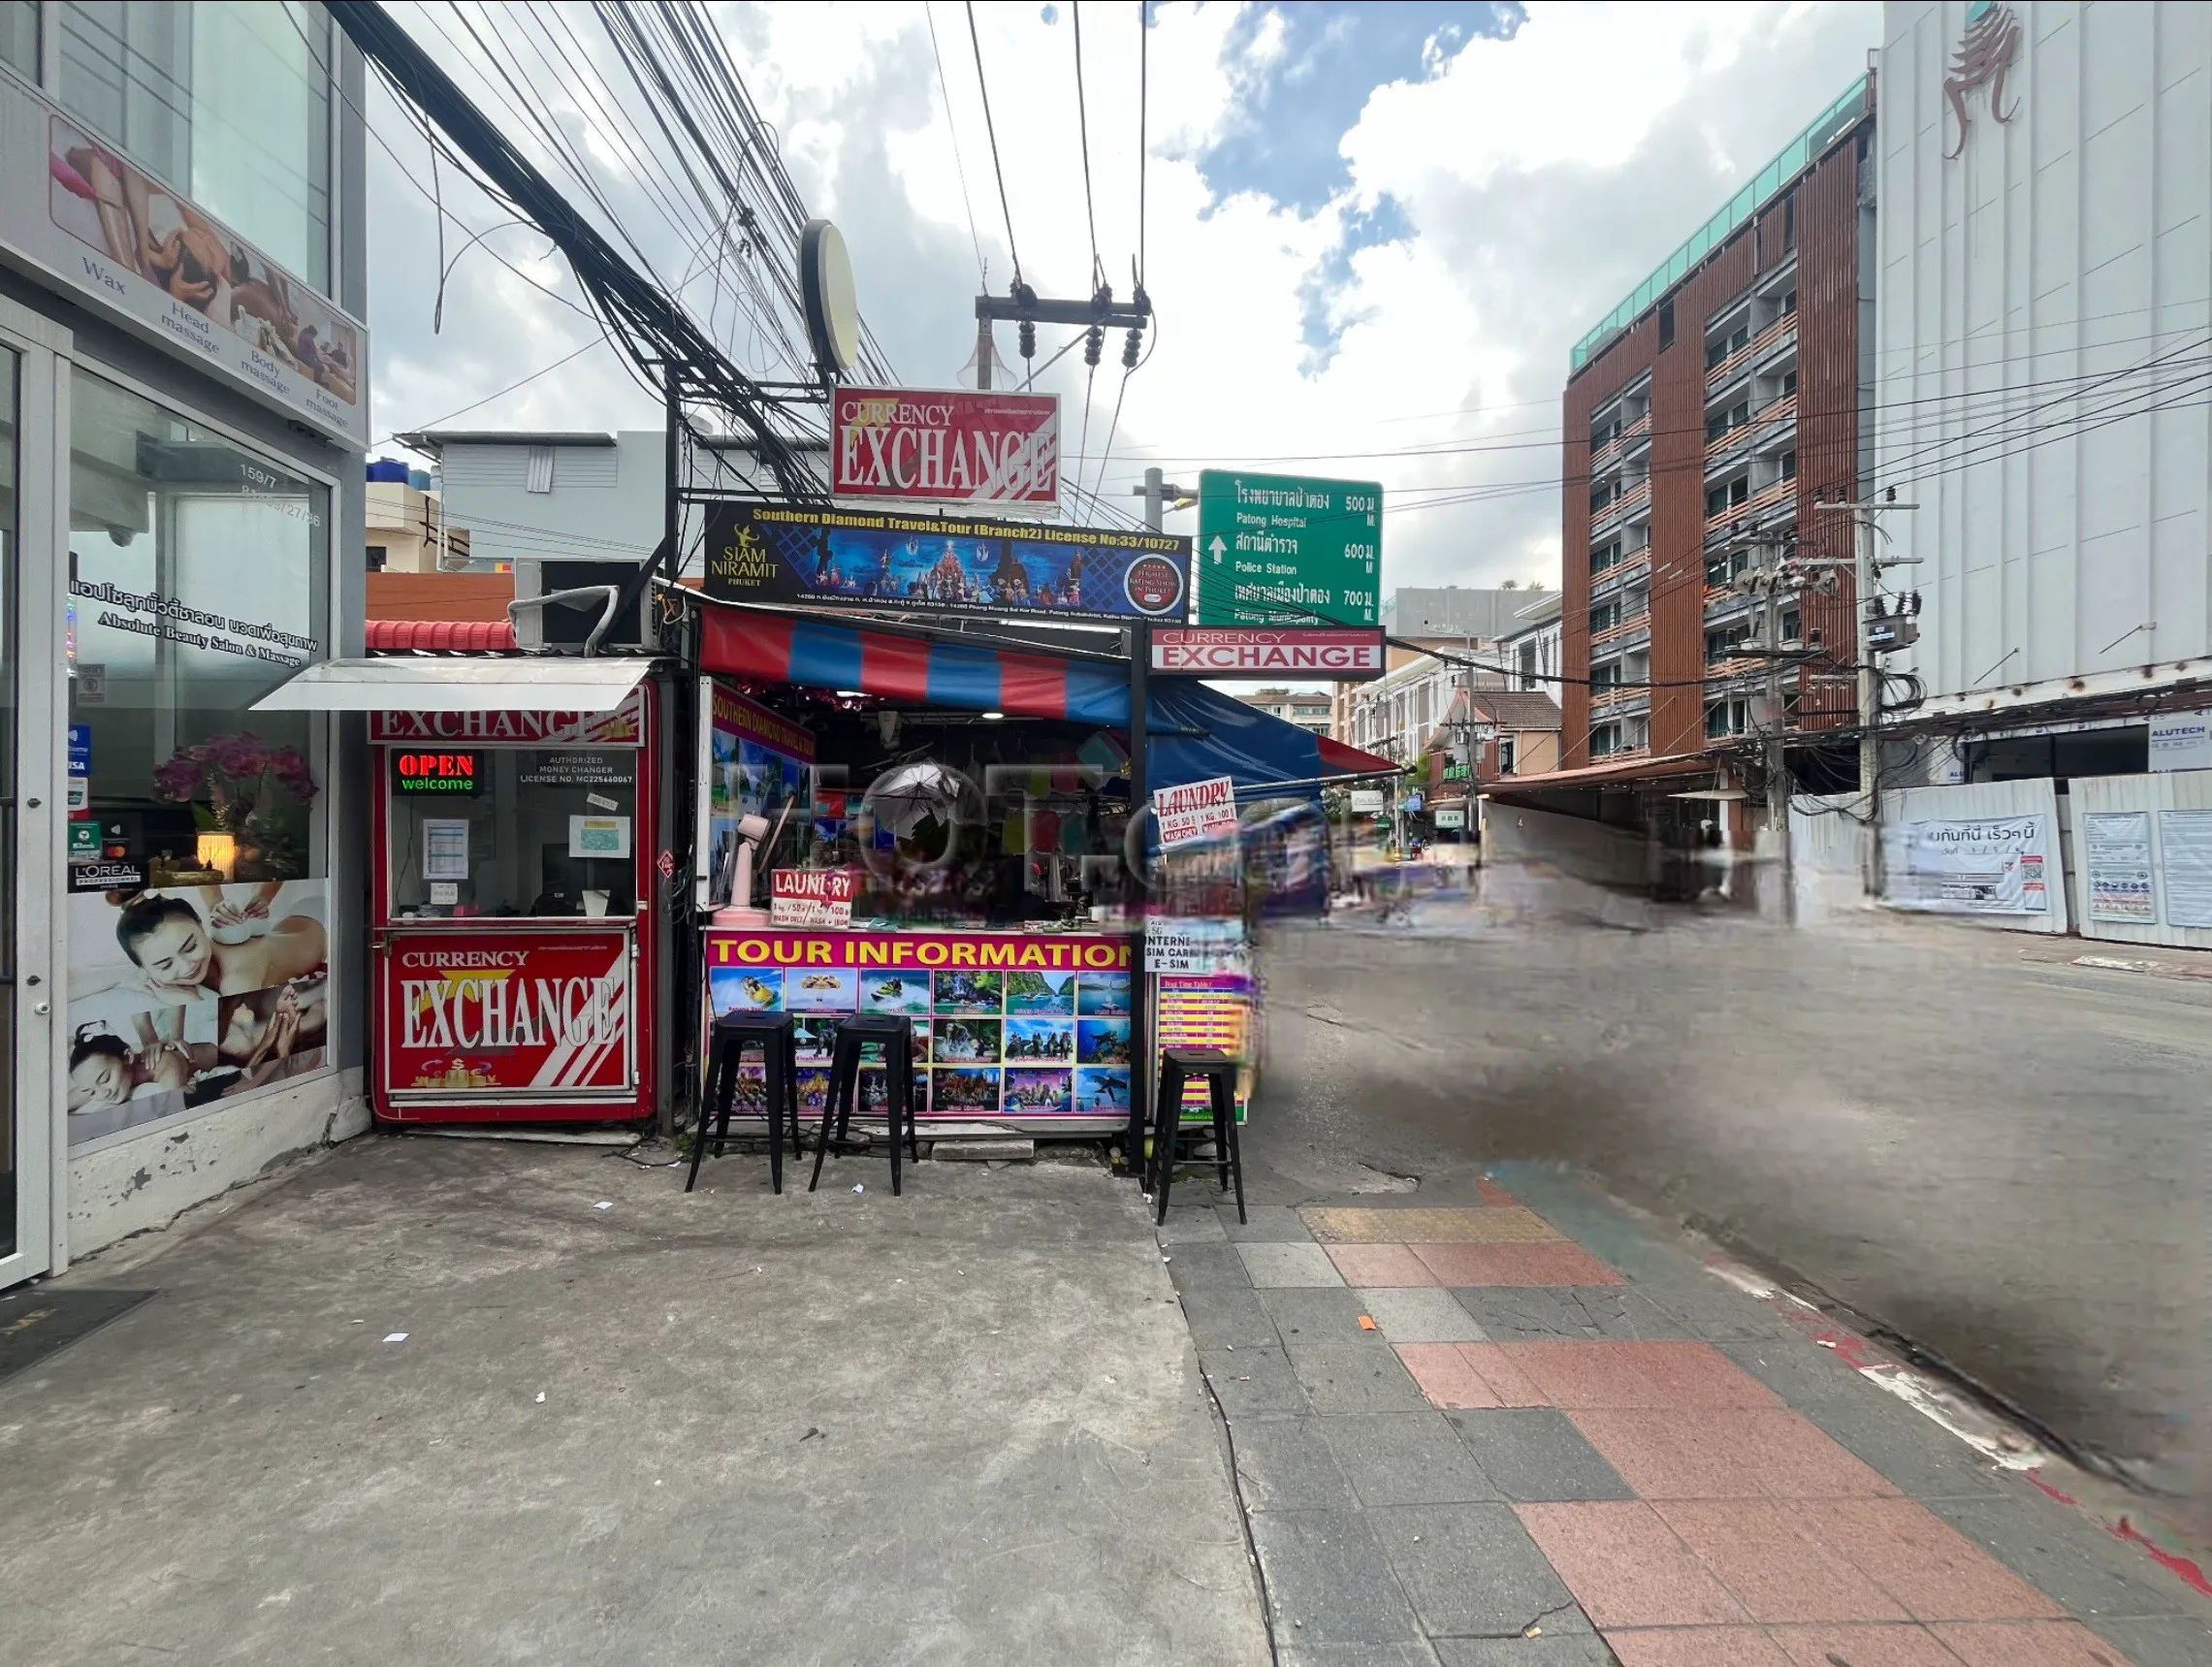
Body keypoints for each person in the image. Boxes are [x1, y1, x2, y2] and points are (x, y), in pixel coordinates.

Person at [112, 889, 326, 1003]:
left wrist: (192, 1001)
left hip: (327, 922)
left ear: (201, 925)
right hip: (296, 921)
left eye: (190, 947)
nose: (186, 967)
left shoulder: (236, 981)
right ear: (144, 968)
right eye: (165, 965)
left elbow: (249, 1040)